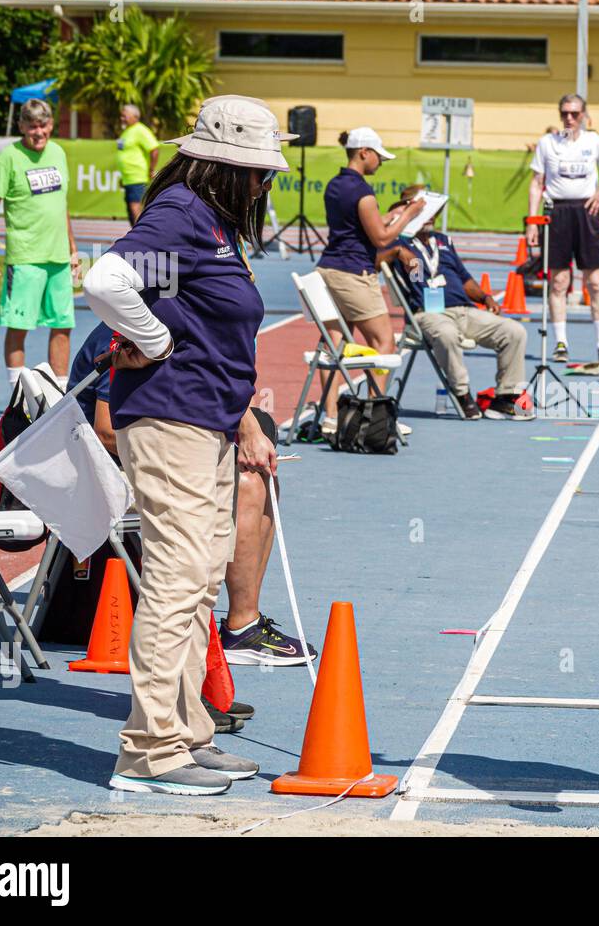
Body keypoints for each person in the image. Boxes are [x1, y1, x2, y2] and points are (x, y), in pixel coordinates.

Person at [84, 94, 296, 796]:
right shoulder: (180, 212)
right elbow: (105, 280)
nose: (265, 185)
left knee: (200, 579)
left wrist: (243, 419)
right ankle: (148, 751)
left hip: (206, 420)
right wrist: (152, 341)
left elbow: (201, 320)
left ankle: (186, 733)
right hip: (169, 418)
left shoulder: (209, 222)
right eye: (259, 173)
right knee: (177, 581)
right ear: (226, 167)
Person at [67, 323, 316, 674]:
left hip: (146, 459)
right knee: (247, 485)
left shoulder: (187, 326)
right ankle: (240, 627)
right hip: (104, 473)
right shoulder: (129, 331)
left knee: (260, 475)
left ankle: (242, 623)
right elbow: (107, 431)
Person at [380, 198, 531, 421]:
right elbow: (374, 262)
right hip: (427, 313)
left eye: (431, 211)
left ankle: (506, 397)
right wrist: (396, 250)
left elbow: (464, 277)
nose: (430, 216)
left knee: (514, 331)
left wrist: (485, 297)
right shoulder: (398, 242)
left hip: (464, 310)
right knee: (447, 333)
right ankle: (461, 393)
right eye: (422, 212)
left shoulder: (443, 241)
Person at [315, 127, 422, 437]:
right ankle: (376, 417)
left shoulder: (335, 184)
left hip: (327, 269)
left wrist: (391, 215)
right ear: (364, 152)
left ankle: (331, 416)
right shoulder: (362, 191)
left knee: (332, 344)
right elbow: (382, 238)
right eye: (379, 156)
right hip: (354, 274)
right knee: (383, 343)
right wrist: (409, 214)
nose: (381, 162)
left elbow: (356, 226)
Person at [0, 98, 81, 392]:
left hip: (58, 258)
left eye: (43, 125)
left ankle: (59, 395)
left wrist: (73, 248)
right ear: (22, 126)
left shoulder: (58, 152)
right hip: (25, 258)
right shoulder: (9, 157)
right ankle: (18, 395)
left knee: (62, 325)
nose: (38, 132)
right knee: (19, 326)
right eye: (32, 126)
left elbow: (61, 204)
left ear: (51, 125)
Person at [527, 94, 599, 364]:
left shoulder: (594, 141)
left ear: (583, 115)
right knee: (559, 282)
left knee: (595, 281)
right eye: (565, 113)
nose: (569, 118)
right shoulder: (548, 143)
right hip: (557, 212)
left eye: (574, 113)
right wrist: (532, 221)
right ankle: (560, 343)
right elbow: (536, 183)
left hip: (586, 211)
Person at [116, 104, 160, 225]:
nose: (122, 118)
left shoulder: (141, 130)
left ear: (135, 116)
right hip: (128, 178)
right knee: (131, 211)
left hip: (137, 177)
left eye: (124, 116)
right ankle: (136, 232)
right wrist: (123, 177)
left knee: (135, 208)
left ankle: (142, 234)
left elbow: (154, 149)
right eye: (121, 116)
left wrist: (151, 169)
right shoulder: (127, 131)